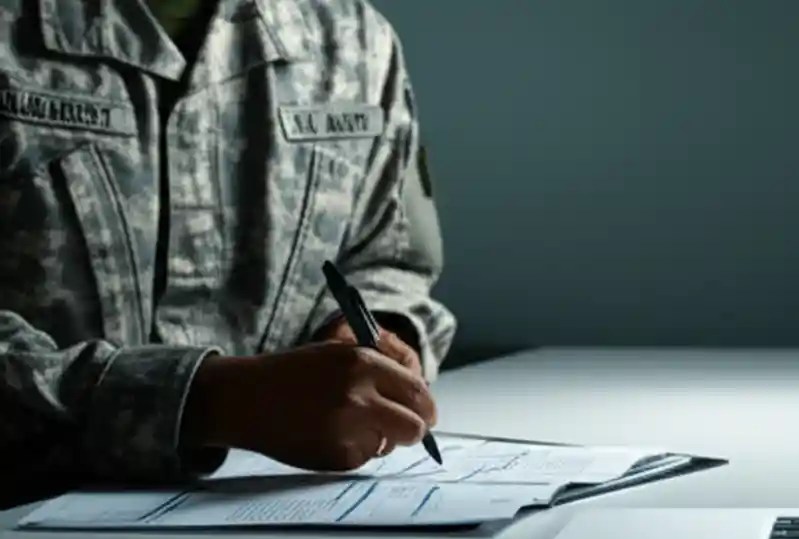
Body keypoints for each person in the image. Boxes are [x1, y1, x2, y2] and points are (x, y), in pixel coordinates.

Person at [0, 0, 457, 504]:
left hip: (285, 519)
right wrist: (212, 403)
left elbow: (391, 258)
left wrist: (364, 336)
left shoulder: (352, 39)